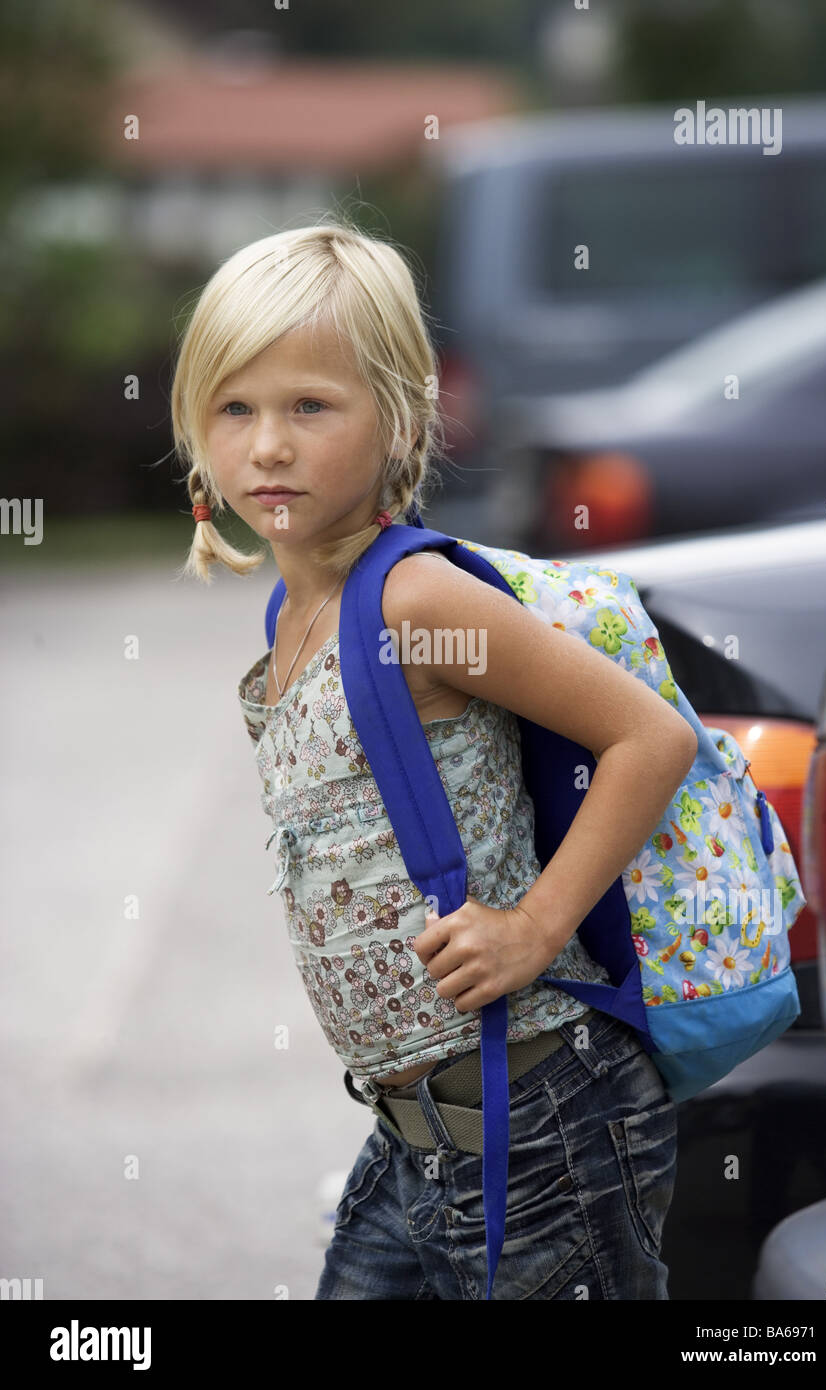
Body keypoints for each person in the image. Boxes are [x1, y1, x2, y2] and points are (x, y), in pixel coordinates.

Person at [169, 218, 695, 1300]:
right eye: (236, 407)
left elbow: (650, 736)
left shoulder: (412, 599)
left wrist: (533, 925)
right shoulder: (291, 607)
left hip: (541, 1126)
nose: (267, 445)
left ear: (399, 414)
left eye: (309, 406)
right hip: (416, 1137)